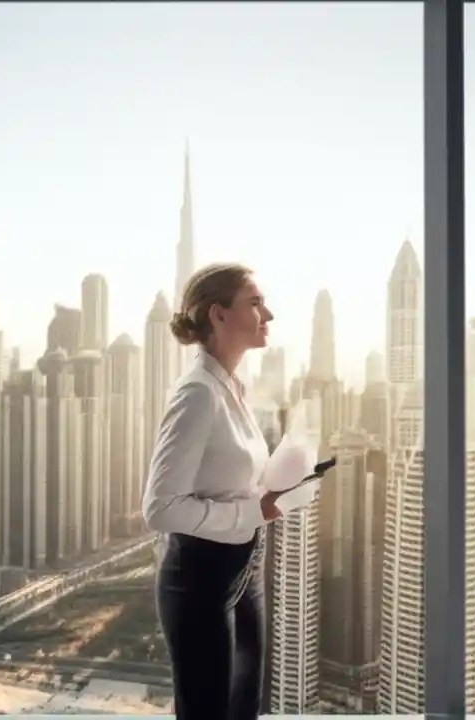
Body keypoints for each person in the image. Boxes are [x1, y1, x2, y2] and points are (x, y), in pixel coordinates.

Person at [142, 262, 313, 719]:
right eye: (255, 303)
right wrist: (254, 512)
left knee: (242, 711)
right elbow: (159, 508)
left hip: (243, 574)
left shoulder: (233, 387)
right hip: (198, 579)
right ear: (218, 315)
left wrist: (280, 484)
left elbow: (226, 478)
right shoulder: (197, 394)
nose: (268, 315)